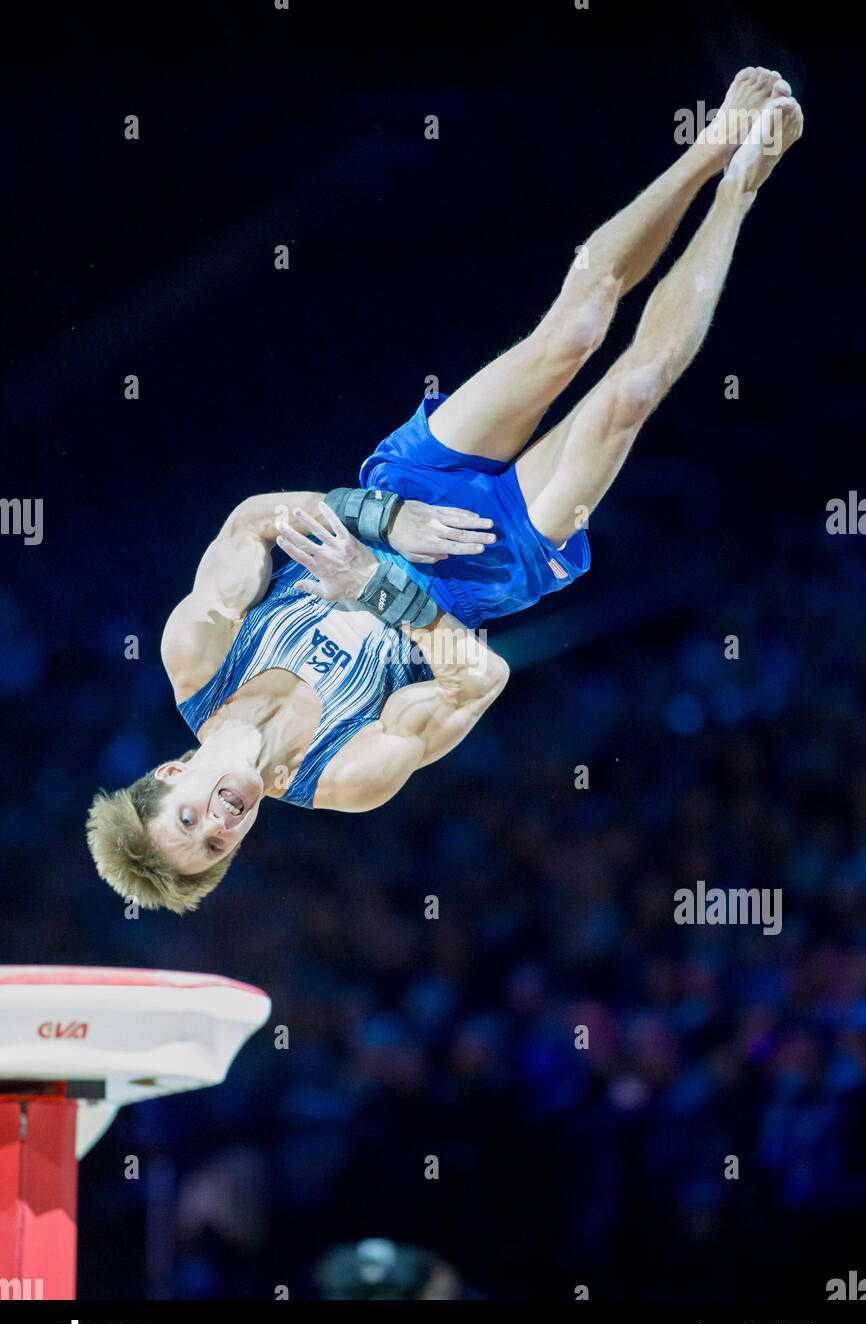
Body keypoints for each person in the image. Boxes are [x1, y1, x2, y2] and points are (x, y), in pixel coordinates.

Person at [87, 70, 802, 913]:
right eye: (215, 847)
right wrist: (385, 591)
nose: (220, 822)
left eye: (191, 816)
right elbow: (480, 683)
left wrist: (381, 517)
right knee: (633, 390)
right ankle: (743, 187)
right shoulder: (344, 778)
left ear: (171, 773)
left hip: (403, 495)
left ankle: (710, 147)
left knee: (570, 332)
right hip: (479, 577)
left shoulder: (195, 659)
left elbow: (251, 521)